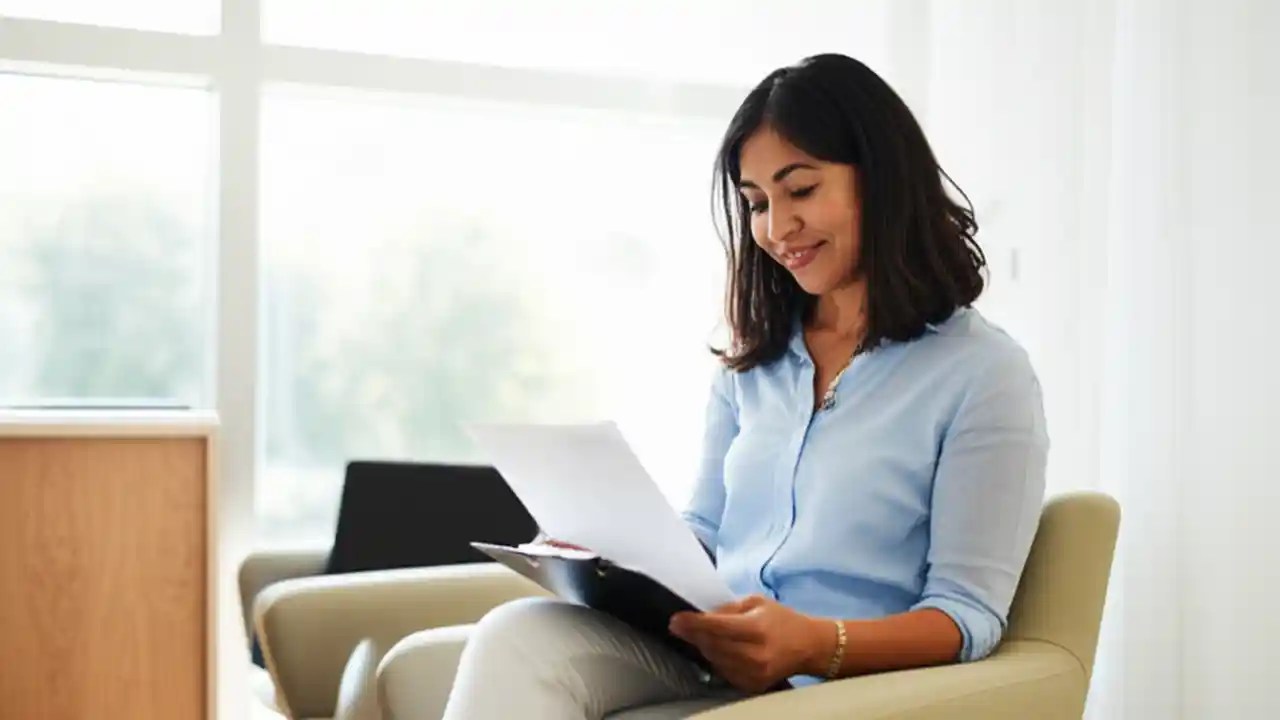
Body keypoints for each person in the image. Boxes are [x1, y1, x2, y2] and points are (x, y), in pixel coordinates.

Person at [437, 52, 1049, 720]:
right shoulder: (754, 363)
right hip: (711, 658)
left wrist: (813, 644)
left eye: (802, 190)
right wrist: (608, 555)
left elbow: (968, 615)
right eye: (758, 203)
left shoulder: (983, 374)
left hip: (847, 692)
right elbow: (706, 529)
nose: (777, 229)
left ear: (881, 179)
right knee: (518, 634)